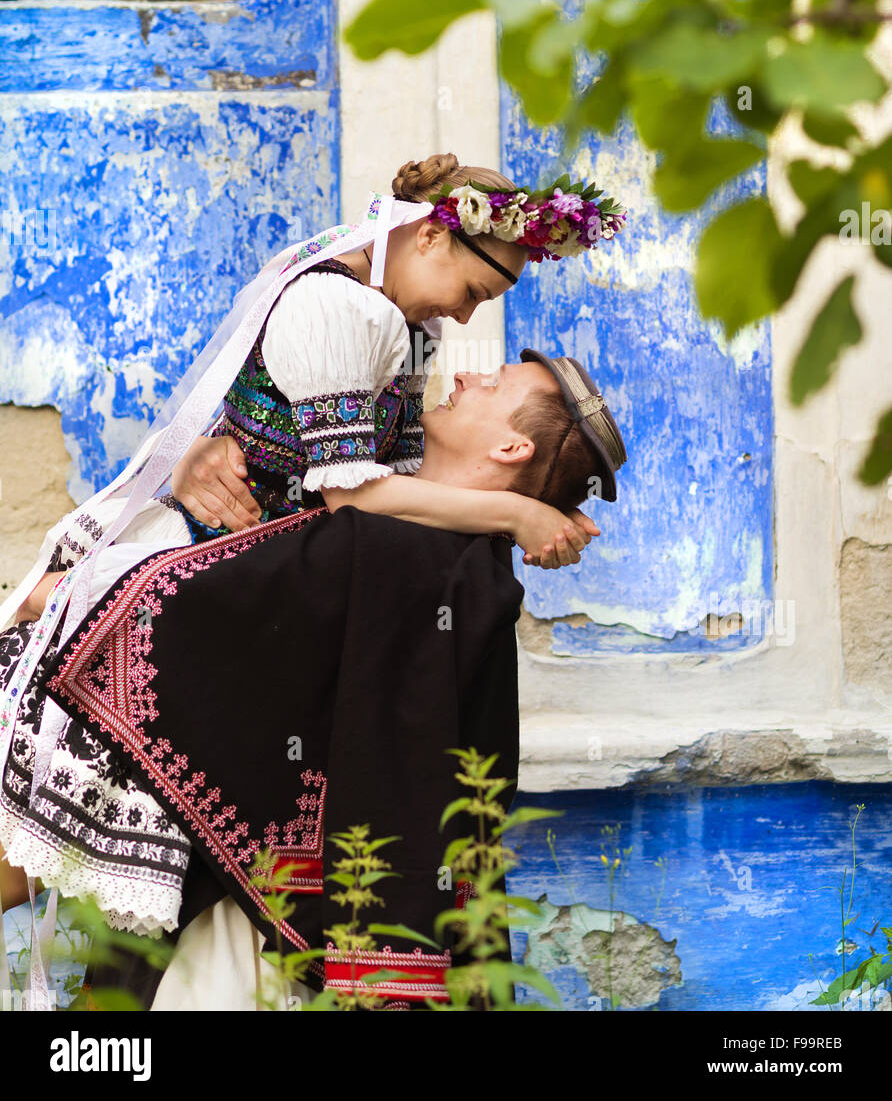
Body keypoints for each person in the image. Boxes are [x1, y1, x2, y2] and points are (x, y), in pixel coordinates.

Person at [0, 154, 627, 951]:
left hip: (228, 584)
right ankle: (66, 604)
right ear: (434, 237)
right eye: (477, 293)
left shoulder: (398, 327)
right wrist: (512, 509)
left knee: (51, 864)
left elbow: (381, 486)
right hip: (190, 566)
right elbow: (350, 494)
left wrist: (530, 508)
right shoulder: (340, 307)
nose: (469, 320)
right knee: (29, 857)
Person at [37, 350, 628, 1010]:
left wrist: (38, 597)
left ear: (513, 446)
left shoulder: (382, 548)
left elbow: (170, 610)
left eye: (492, 384)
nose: (464, 376)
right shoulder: (473, 571)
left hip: (241, 930)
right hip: (337, 925)